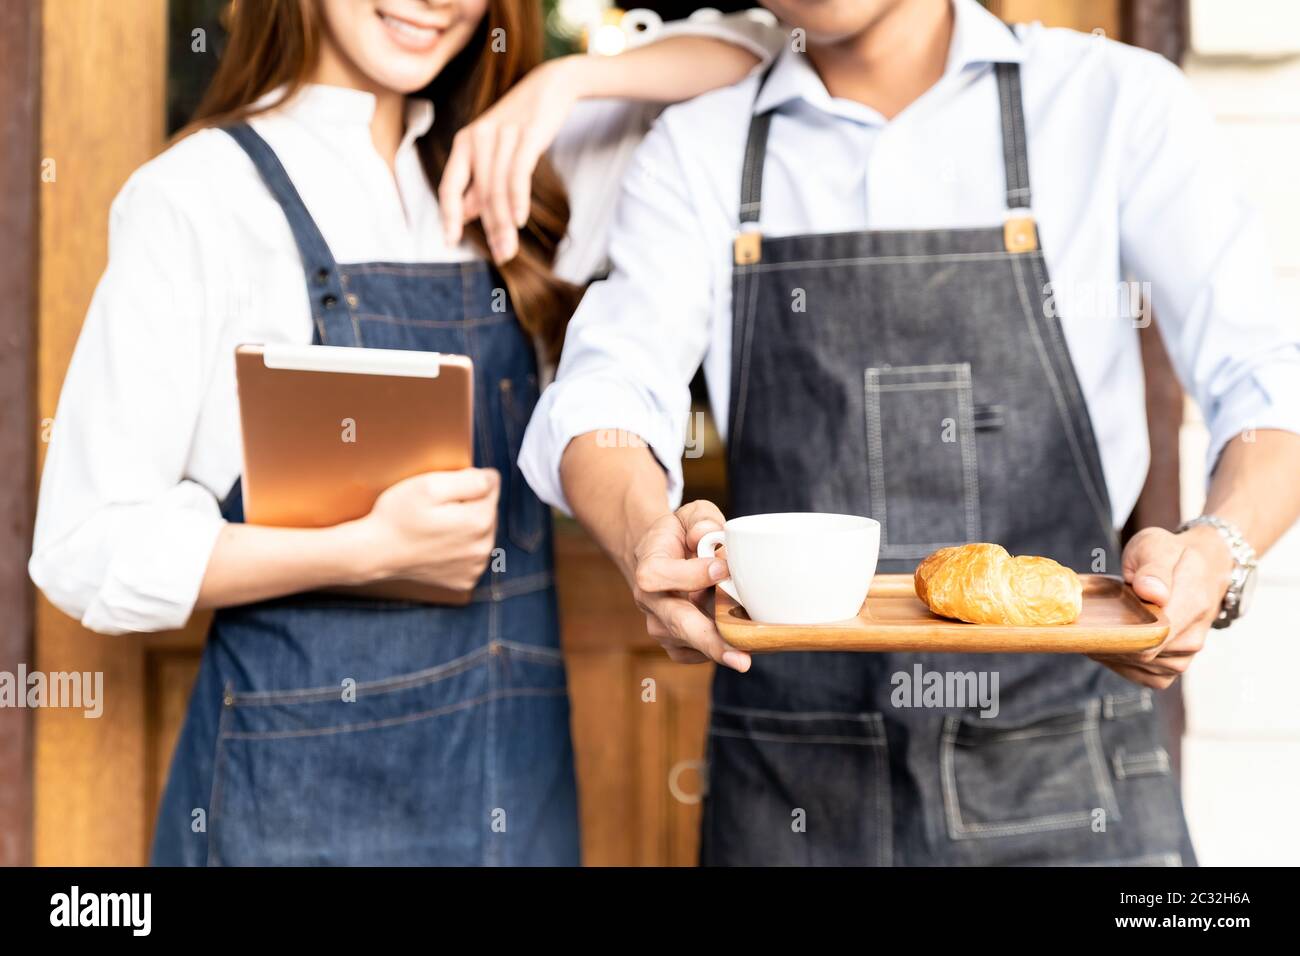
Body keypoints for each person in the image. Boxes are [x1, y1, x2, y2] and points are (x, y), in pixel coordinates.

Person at [520, 0, 1300, 865]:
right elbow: (605, 395)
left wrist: (1218, 551)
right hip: (789, 788)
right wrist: (642, 535)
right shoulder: (697, 149)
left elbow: (1268, 376)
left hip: (1070, 775)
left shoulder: (1110, 101)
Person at [28, 0, 777, 866]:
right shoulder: (198, 196)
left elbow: (764, 50)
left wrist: (566, 81)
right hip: (291, 795)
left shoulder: (516, 172)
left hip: (511, 776)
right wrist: (359, 551)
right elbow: (83, 546)